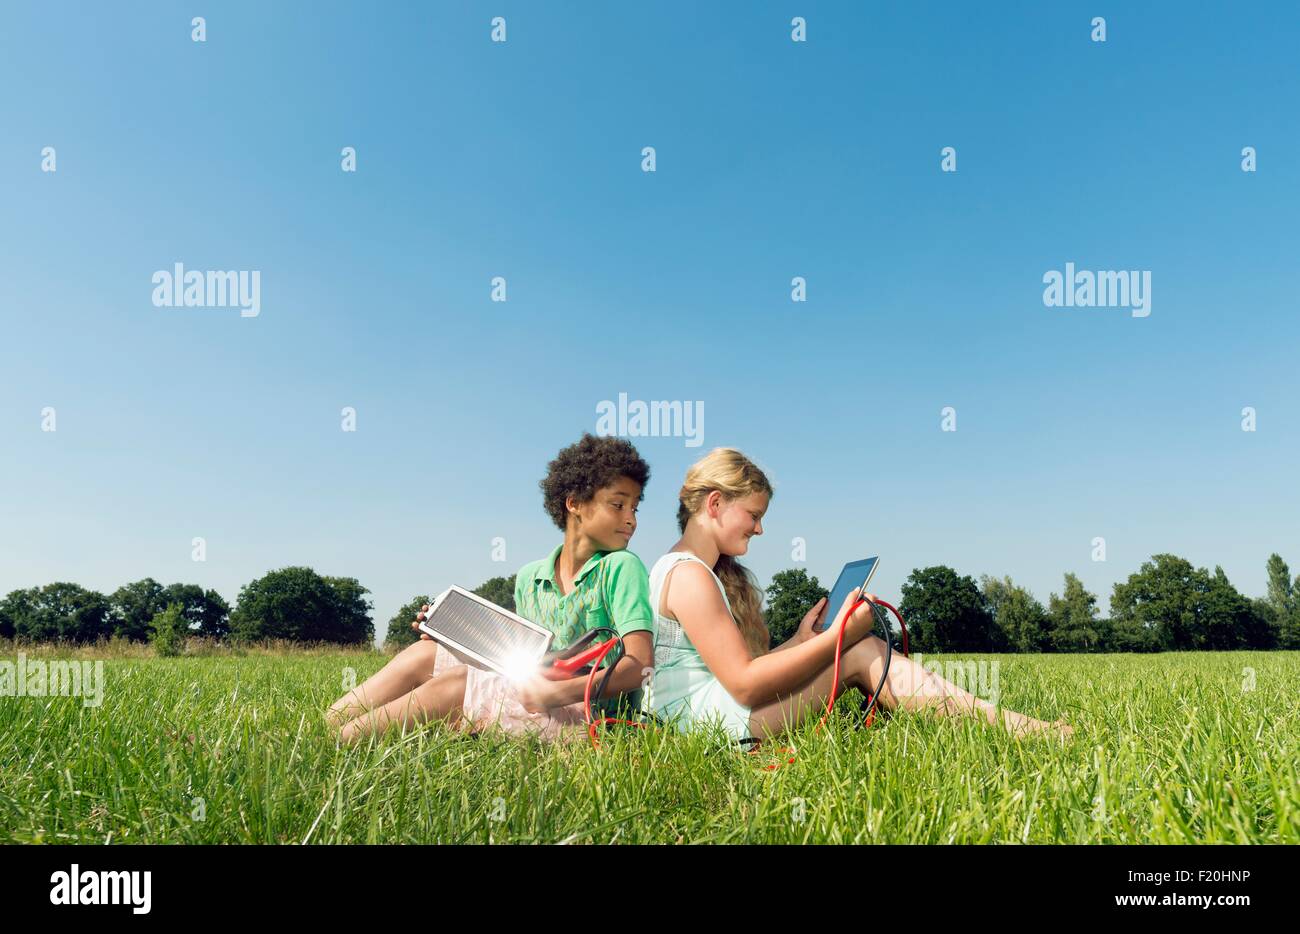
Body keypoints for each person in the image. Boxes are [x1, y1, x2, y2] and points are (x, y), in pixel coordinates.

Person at [644, 446, 1075, 744]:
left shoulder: (684, 567)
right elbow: (743, 685)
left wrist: (801, 641)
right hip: (709, 725)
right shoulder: (691, 577)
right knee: (858, 651)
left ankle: (998, 723)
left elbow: (729, 670)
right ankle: (1015, 729)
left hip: (698, 716)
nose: (759, 529)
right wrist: (837, 640)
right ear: (715, 504)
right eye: (754, 515)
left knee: (857, 647)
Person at [326, 434, 655, 744]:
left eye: (634, 508)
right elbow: (523, 660)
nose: (631, 520)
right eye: (618, 505)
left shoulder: (623, 567)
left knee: (458, 686)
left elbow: (639, 667)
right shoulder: (530, 577)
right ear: (574, 504)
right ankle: (327, 726)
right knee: (423, 654)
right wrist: (454, 637)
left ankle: (342, 743)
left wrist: (554, 694)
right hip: (539, 696)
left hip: (593, 718)